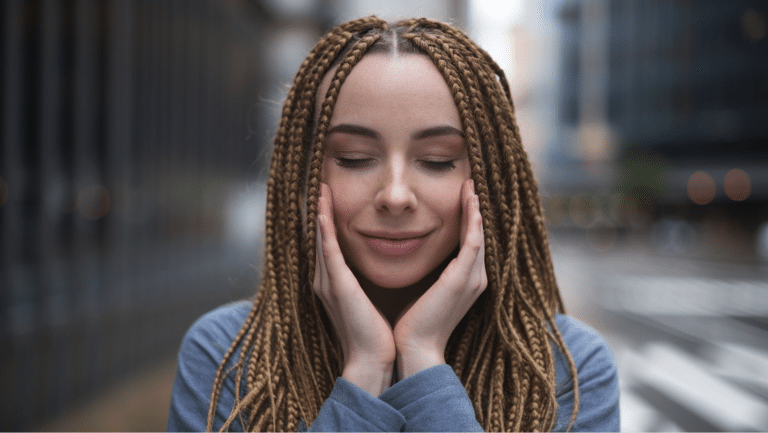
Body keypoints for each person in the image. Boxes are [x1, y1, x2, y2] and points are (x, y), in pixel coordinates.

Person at [167, 16, 620, 432]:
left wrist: (423, 359)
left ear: (488, 179)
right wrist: (364, 370)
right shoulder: (226, 357)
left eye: (437, 161)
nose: (396, 195)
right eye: (355, 159)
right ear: (305, 176)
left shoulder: (568, 370)